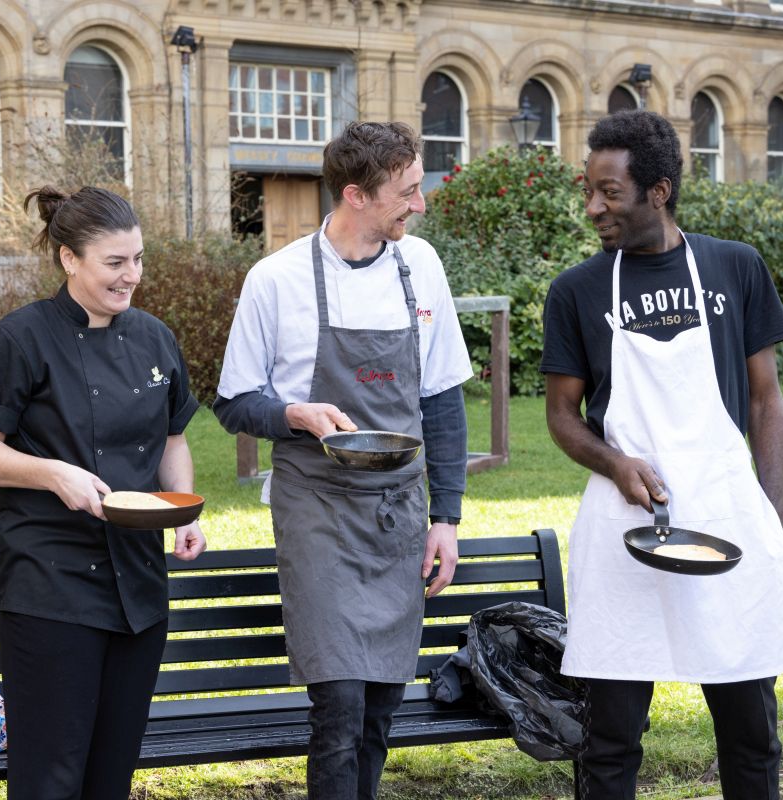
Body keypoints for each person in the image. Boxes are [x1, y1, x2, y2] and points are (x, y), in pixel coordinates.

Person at [214, 121, 472, 800]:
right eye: (407, 191)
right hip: (318, 507)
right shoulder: (276, 279)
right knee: (340, 703)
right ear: (356, 195)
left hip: (398, 512)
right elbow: (235, 402)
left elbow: (443, 403)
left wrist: (446, 516)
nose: (419, 204)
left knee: (382, 703)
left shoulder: (424, 270)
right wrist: (293, 414)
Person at [541, 110, 783, 799]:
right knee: (611, 739)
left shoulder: (735, 268)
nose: (594, 207)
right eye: (588, 191)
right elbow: (562, 416)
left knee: (750, 733)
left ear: (658, 190)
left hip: (724, 521)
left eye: (609, 193)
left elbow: (766, 401)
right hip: (623, 532)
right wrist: (615, 463)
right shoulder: (578, 291)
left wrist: (770, 518)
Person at [0, 185, 207, 800]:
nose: (132, 277)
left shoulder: (154, 338)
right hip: (50, 579)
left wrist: (183, 511)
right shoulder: (21, 338)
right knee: (51, 775)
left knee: (112, 772)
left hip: (138, 580)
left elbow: (173, 440)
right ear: (69, 258)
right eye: (115, 263)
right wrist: (53, 472)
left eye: (139, 259)